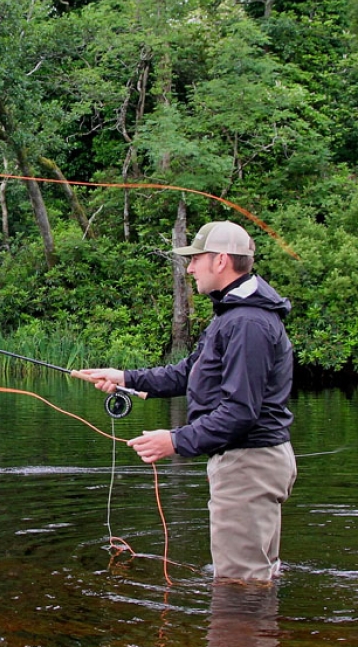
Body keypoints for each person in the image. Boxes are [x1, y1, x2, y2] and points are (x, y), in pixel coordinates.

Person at [79, 220, 296, 582]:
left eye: (196, 259)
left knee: (239, 584)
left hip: (249, 465)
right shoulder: (233, 314)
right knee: (256, 579)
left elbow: (240, 411)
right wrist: (126, 378)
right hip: (251, 462)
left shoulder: (247, 323)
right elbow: (188, 372)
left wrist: (175, 441)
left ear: (221, 260)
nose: (191, 268)